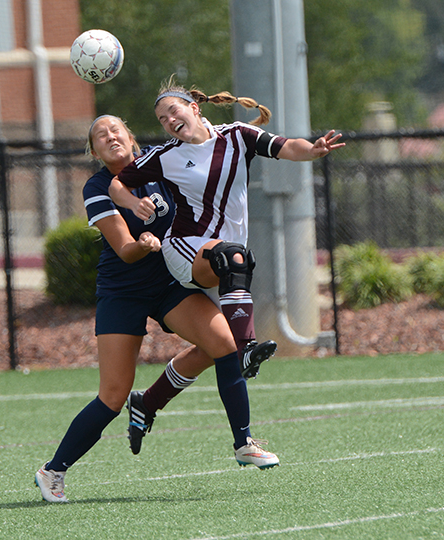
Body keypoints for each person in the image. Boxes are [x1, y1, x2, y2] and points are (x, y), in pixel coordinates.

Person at [35, 115, 279, 504]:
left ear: (131, 138)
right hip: (123, 290)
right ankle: (54, 470)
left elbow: (205, 152)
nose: (110, 136)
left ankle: (242, 441)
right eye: (100, 135)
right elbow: (124, 249)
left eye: (116, 130)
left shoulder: (161, 161)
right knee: (113, 395)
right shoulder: (98, 186)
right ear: (94, 151)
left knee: (225, 345)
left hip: (169, 282)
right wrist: (143, 243)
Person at [110, 77, 344, 377]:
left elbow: (286, 146)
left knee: (212, 349)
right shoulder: (166, 156)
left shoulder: (237, 136)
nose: (169, 121)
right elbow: (117, 185)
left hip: (225, 255)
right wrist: (131, 203)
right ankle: (247, 349)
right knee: (233, 257)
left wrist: (312, 149)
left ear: (194, 109)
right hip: (185, 246)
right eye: (162, 119)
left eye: (173, 111)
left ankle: (147, 402)